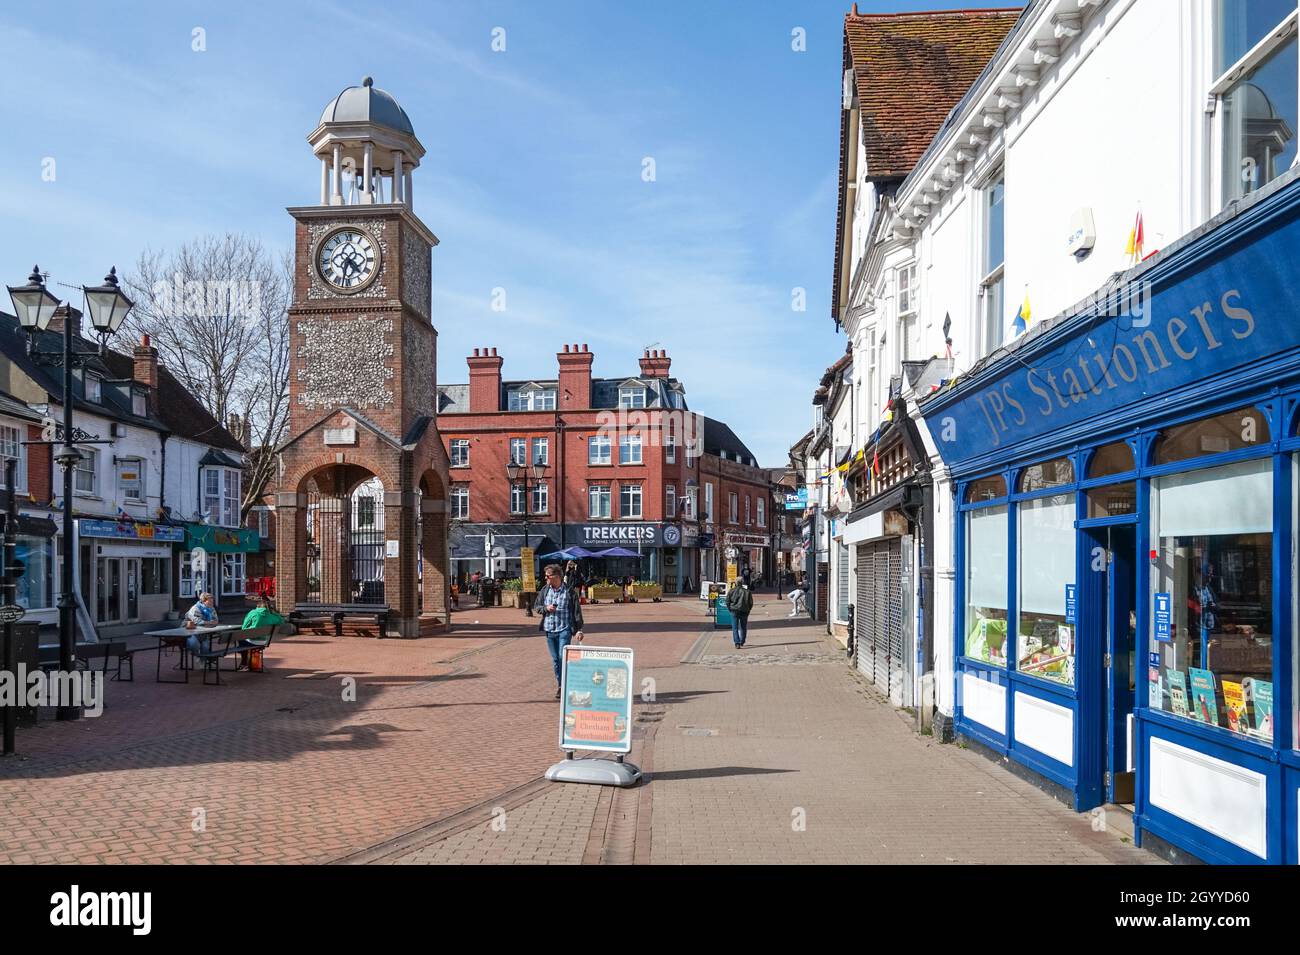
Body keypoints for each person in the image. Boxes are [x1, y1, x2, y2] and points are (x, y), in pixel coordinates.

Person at [534, 563, 585, 699]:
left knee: (563, 657)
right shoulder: (545, 590)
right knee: (556, 659)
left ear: (556, 577)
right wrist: (546, 608)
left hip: (564, 629)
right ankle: (560, 684)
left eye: (547, 576)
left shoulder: (569, 591)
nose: (545, 578)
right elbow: (537, 606)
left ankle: (563, 686)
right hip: (550, 630)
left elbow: (576, 611)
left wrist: (579, 629)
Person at [725, 576, 754, 648]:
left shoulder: (731, 591)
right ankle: (742, 641)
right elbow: (750, 603)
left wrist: (730, 609)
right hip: (744, 610)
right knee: (743, 627)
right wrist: (748, 610)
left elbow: (727, 601)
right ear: (742, 582)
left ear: (735, 582)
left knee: (735, 627)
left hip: (734, 610)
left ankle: (737, 642)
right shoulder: (747, 592)